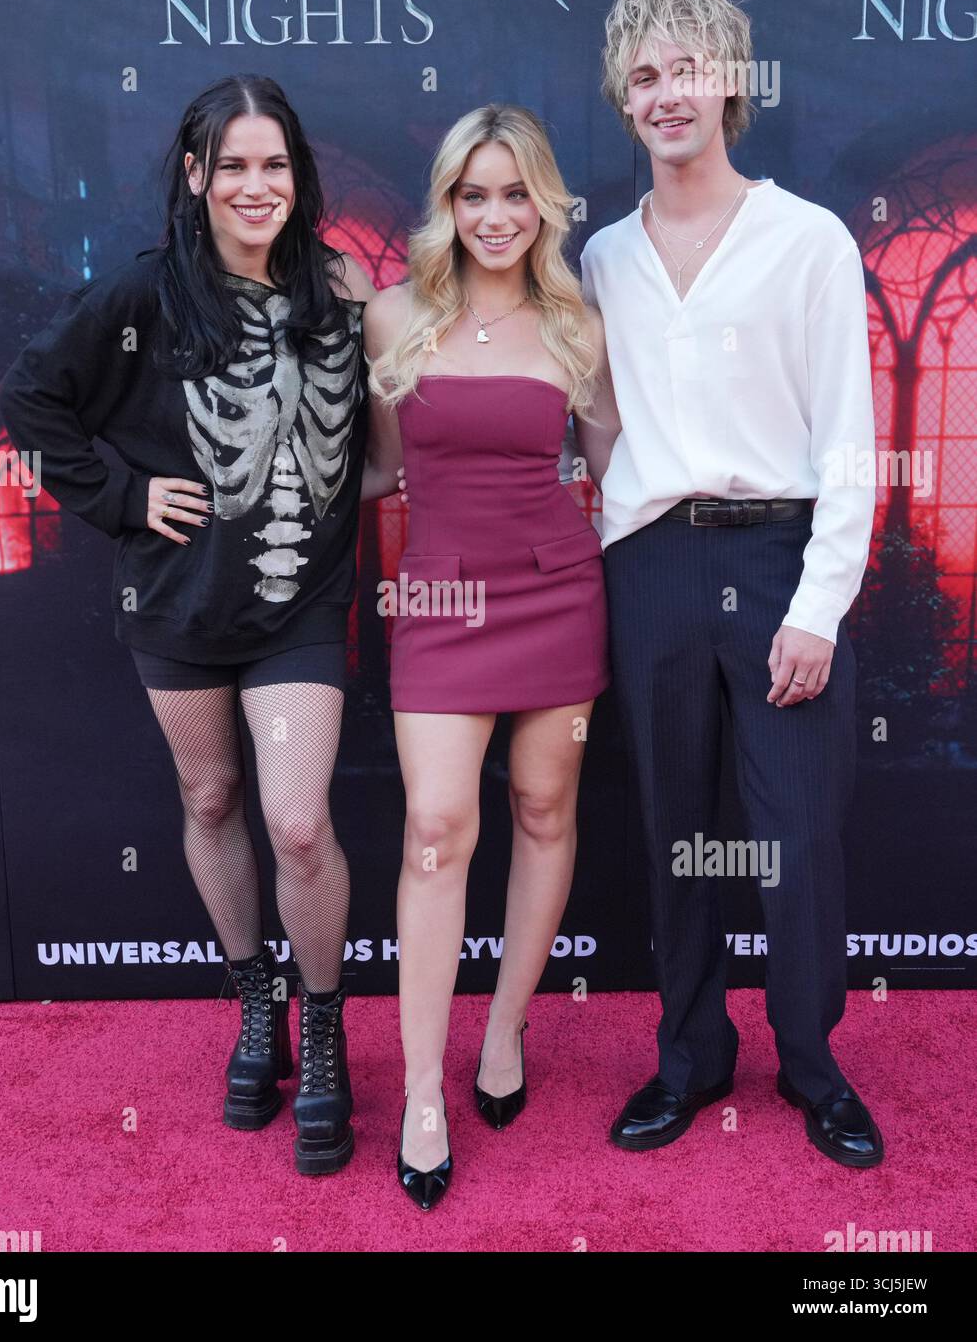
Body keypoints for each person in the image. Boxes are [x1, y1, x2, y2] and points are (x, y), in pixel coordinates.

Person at [0, 75, 376, 1176]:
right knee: (209, 796)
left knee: (297, 820)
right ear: (196, 176)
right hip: (176, 601)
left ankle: (319, 1020)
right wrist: (119, 497)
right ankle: (252, 998)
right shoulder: (143, 296)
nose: (256, 186)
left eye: (275, 165)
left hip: (301, 601)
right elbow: (31, 396)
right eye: (235, 166)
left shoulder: (341, 290)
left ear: (296, 178)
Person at [564, 0, 883, 1166]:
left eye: (688, 69)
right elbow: (595, 423)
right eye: (644, 76)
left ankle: (810, 1061)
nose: (667, 94)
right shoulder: (600, 257)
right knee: (671, 829)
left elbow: (847, 437)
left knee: (794, 834)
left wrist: (817, 606)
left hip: (778, 554)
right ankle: (688, 1056)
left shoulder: (806, 239)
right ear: (622, 99)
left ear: (731, 83)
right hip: (646, 565)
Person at [362, 104, 620, 1210]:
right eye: (474, 193)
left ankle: (504, 1026)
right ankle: (423, 1087)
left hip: (557, 592)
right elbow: (374, 473)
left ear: (544, 202)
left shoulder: (580, 327)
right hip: (436, 595)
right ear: (447, 205)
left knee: (544, 809)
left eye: (516, 192)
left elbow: (621, 475)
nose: (496, 214)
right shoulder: (390, 318)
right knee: (433, 826)